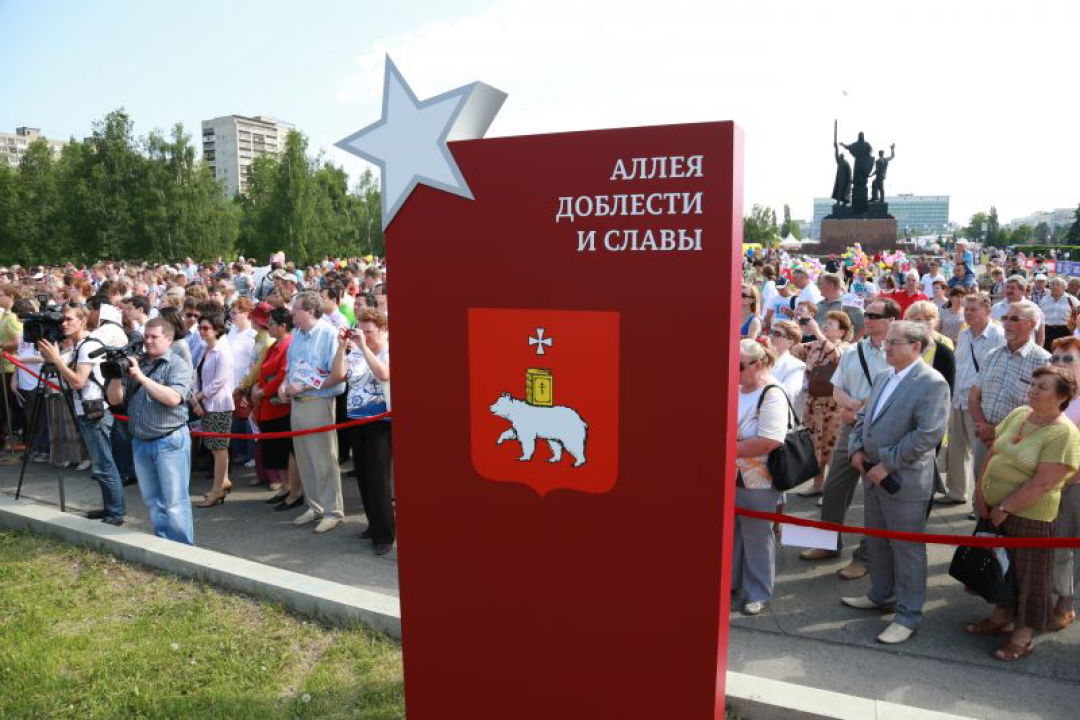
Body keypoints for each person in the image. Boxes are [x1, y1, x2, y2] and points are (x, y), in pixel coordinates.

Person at [843, 321, 950, 644]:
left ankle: (908, 615)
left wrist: (887, 464)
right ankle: (881, 594)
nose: (885, 348)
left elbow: (927, 434)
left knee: (907, 550)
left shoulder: (932, 383)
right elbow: (863, 417)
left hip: (902, 481)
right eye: (887, 342)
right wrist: (856, 449)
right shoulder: (882, 376)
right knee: (876, 540)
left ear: (916, 347)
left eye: (893, 343)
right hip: (872, 474)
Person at [968, 366, 1080, 660]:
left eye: (1042, 387)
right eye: (1032, 384)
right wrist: (980, 492)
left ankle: (1022, 637)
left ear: (1062, 396)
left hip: (1029, 516)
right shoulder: (1019, 414)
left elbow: (1045, 483)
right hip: (993, 509)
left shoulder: (1064, 433)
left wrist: (1006, 507)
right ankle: (1001, 615)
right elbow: (994, 451)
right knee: (999, 568)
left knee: (1029, 577)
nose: (1032, 390)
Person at [801, 297, 898, 575]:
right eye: (866, 314)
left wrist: (864, 409)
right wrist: (852, 406)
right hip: (851, 427)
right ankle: (827, 542)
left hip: (884, 433)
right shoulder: (855, 352)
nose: (866, 318)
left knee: (876, 496)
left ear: (890, 321)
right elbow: (836, 388)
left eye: (873, 315)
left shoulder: (897, 353)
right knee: (835, 487)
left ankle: (867, 557)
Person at [106, 318, 195, 544]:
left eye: (154, 337)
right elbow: (114, 400)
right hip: (140, 442)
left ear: (169, 338)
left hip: (169, 441)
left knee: (175, 503)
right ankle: (163, 544)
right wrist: (117, 376)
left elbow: (174, 398)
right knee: (153, 501)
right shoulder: (138, 362)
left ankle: (183, 552)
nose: (148, 341)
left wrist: (142, 378)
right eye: (146, 336)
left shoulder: (177, 364)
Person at [37, 304, 125, 526]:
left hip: (94, 413)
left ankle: (115, 513)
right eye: (63, 320)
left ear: (83, 321)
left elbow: (78, 381)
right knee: (101, 465)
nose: (64, 324)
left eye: (69, 320)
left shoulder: (88, 347)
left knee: (104, 465)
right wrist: (52, 356)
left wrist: (57, 359)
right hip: (87, 411)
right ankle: (110, 508)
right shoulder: (79, 346)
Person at [282, 291, 347, 534]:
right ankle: (315, 506)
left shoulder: (329, 334)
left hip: (318, 403)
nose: (292, 313)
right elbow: (291, 367)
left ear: (309, 311)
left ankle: (333, 511)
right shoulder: (297, 334)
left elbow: (336, 375)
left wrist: (304, 385)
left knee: (323, 459)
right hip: (297, 403)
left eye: (296, 308)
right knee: (305, 459)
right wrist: (283, 385)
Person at [732, 339, 788, 615]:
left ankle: (758, 592)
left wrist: (724, 448)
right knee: (732, 532)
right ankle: (731, 583)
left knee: (756, 534)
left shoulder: (772, 393)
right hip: (732, 472)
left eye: (738, 366)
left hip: (759, 477)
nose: (733, 370)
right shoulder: (737, 388)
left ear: (758, 365)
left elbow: (769, 441)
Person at [969, 302, 1051, 487]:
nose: (1006, 323)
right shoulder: (992, 355)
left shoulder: (1043, 360)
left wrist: (998, 433)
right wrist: (985, 430)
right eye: (1005, 318)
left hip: (1019, 444)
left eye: (1014, 318)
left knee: (1007, 497)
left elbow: (1043, 410)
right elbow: (974, 397)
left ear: (1031, 324)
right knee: (981, 490)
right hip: (984, 439)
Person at [332, 308, 393, 554]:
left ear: (383, 329)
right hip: (356, 420)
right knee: (364, 477)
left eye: (370, 331)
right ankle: (373, 524)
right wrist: (341, 347)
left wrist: (364, 348)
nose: (365, 336)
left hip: (380, 422)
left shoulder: (388, 349)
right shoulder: (355, 349)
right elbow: (338, 375)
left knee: (379, 479)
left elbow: (384, 374)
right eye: (362, 330)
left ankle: (385, 535)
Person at [943, 294, 1007, 506]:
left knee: (982, 455)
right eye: (966, 309)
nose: (968, 313)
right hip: (958, 398)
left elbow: (998, 372)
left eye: (973, 309)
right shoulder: (964, 334)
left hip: (980, 403)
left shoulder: (998, 335)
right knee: (957, 449)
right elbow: (960, 366)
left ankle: (980, 501)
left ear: (987, 311)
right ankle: (956, 492)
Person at [791, 310, 853, 496]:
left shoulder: (847, 348)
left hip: (833, 406)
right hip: (812, 404)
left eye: (830, 325)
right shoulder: (815, 345)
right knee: (813, 446)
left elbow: (837, 357)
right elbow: (794, 350)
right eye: (824, 323)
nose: (825, 326)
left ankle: (831, 489)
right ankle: (818, 485)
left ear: (841, 332)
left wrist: (817, 332)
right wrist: (796, 329)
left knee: (829, 447)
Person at [256, 308, 303, 510]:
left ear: (284, 326)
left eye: (272, 323)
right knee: (276, 451)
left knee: (286, 451)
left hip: (280, 406)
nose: (269, 326)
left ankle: (295, 491)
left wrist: (263, 391)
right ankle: (285, 487)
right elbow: (264, 370)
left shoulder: (288, 345)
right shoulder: (274, 345)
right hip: (268, 405)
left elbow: (283, 373)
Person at [1049, 337, 1080, 631]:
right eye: (1055, 358)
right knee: (1050, 545)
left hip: (1073, 487)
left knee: (1067, 546)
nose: (1059, 364)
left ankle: (1066, 601)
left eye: (1067, 359)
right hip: (1045, 486)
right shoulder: (1051, 397)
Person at [190, 309, 234, 507]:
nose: (201, 331)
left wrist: (198, 397)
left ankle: (218, 488)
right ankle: (222, 482)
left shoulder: (223, 351)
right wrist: (196, 398)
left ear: (217, 330)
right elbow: (198, 375)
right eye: (200, 327)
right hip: (207, 403)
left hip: (219, 405)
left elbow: (218, 382)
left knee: (219, 448)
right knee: (215, 447)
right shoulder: (205, 348)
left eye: (205, 328)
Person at [992, 276, 1045, 348]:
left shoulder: (1033, 308)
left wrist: (1038, 352)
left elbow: (1040, 333)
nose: (1009, 290)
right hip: (1001, 353)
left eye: (1013, 288)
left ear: (1022, 291)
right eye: (1007, 287)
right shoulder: (996, 307)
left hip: (1026, 353)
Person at [767, 321, 806, 418]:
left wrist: (763, 377)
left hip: (779, 420)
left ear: (790, 342)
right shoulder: (761, 360)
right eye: (771, 332)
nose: (771, 336)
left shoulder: (796, 366)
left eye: (777, 334)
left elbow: (788, 393)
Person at [814, 272, 864, 339]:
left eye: (821, 284)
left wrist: (852, 344)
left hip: (840, 347)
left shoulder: (850, 302)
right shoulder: (819, 304)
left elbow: (863, 326)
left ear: (830, 286)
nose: (819, 287)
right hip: (819, 345)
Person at [1039, 276, 1076, 351]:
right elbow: (1040, 315)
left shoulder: (1071, 299)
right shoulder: (1044, 299)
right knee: (1048, 353)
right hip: (1048, 330)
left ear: (1063, 287)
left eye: (1057, 284)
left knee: (1064, 353)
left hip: (1065, 330)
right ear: (1049, 286)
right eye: (1052, 284)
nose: (1054, 286)